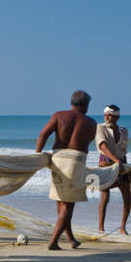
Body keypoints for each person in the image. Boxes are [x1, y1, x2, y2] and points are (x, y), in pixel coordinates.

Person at [35, 90, 97, 250]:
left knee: (61, 199)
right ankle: (54, 241)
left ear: (72, 102)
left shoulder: (59, 115)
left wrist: (37, 155)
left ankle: (70, 238)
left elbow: (43, 135)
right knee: (68, 204)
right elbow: (89, 140)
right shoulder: (91, 123)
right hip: (75, 161)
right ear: (86, 105)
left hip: (57, 159)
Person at [95, 104, 131, 234]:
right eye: (105, 115)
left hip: (121, 163)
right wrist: (115, 161)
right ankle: (101, 228)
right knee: (104, 196)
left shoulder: (124, 130)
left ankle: (123, 227)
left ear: (117, 116)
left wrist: (120, 163)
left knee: (128, 196)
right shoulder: (100, 128)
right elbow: (103, 146)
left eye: (110, 115)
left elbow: (123, 150)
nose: (107, 117)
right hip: (106, 162)